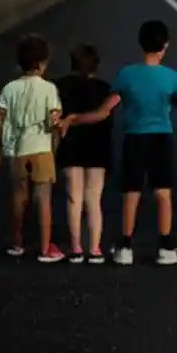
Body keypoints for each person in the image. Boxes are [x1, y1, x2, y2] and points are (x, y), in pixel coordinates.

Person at [61, 20, 177, 266]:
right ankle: (165, 246)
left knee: (131, 191)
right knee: (163, 191)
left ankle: (125, 246)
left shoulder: (126, 75)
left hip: (134, 138)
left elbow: (104, 111)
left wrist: (75, 118)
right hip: (161, 137)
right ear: (165, 46)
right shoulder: (172, 77)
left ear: (141, 44)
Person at [0, 33, 65, 263]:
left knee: (19, 196)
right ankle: (44, 247)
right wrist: (56, 145)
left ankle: (18, 242)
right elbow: (54, 121)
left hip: (18, 150)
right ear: (41, 64)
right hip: (41, 148)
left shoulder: (9, 88)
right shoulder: (49, 88)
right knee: (43, 198)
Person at [54, 44, 113, 264]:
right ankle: (95, 248)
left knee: (73, 197)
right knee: (94, 198)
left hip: (71, 146)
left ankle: (76, 247)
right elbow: (107, 119)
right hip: (97, 147)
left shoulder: (60, 86)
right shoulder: (105, 89)